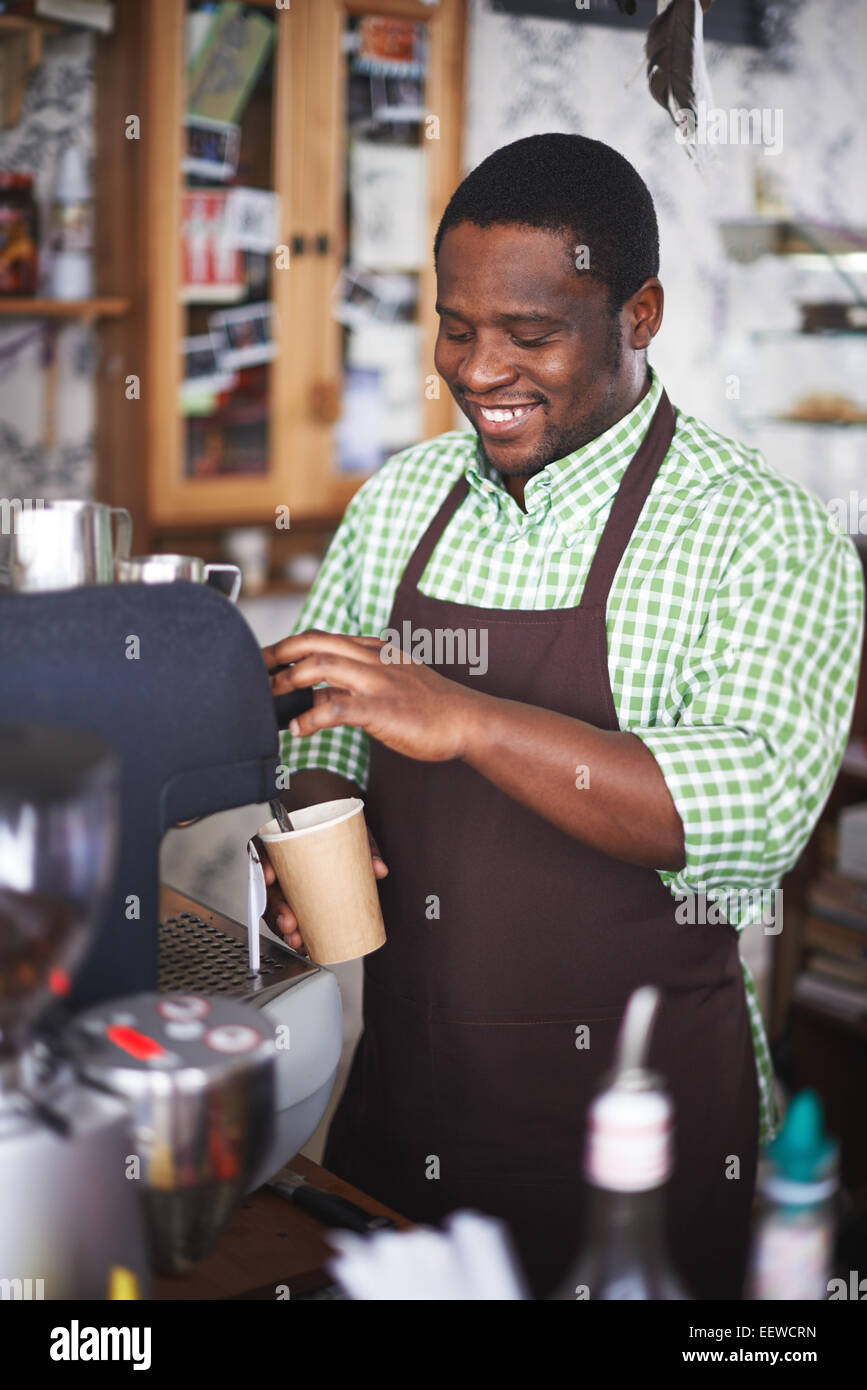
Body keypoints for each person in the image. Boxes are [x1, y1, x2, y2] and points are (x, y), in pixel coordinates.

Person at [262, 134, 864, 1299]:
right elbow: (321, 727)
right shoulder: (402, 502)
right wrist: (314, 832)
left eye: (531, 335)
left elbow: (747, 816)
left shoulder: (763, 532)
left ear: (639, 314)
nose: (480, 370)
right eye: (455, 326)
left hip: (641, 1144)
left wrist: (466, 717)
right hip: (404, 1112)